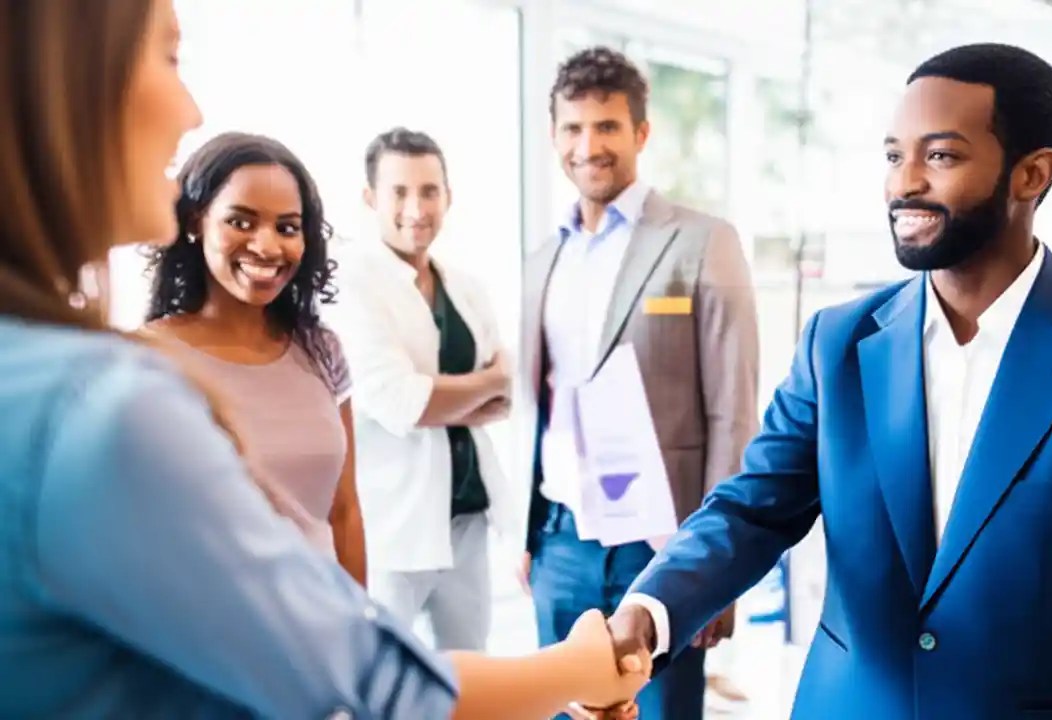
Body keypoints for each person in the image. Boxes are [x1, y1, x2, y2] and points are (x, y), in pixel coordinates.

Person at [0, 0, 650, 717]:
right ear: (62, 81)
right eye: (168, 56)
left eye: (288, 226)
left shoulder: (47, 375)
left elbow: (352, 509)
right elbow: (369, 681)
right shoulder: (103, 407)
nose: (190, 111)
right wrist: (582, 666)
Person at [600, 43, 1052, 718]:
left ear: (1032, 175)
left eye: (941, 155)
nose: (905, 183)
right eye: (895, 155)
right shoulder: (835, 343)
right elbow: (751, 510)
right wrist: (648, 610)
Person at [518, 46, 759, 720]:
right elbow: (536, 405)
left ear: (641, 133)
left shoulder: (702, 241)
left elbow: (732, 412)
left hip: (660, 545)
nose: (587, 146)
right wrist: (527, 536)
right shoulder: (543, 259)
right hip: (561, 541)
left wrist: (715, 570)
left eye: (606, 127)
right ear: (554, 136)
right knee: (565, 712)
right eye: (572, 128)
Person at [143, 131, 366, 584]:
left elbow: (344, 511)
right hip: (213, 631)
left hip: (324, 624)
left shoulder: (322, 350)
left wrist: (363, 634)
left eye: (287, 227)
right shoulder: (148, 356)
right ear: (195, 222)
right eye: (241, 222)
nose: (266, 247)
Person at [324, 127, 514, 650]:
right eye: (399, 192)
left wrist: (466, 394)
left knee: (470, 680)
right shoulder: (353, 283)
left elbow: (507, 394)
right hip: (393, 530)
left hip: (466, 519)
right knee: (384, 687)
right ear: (371, 199)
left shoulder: (466, 287)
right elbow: (398, 401)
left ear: (448, 197)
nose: (417, 207)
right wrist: (486, 384)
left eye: (430, 191)